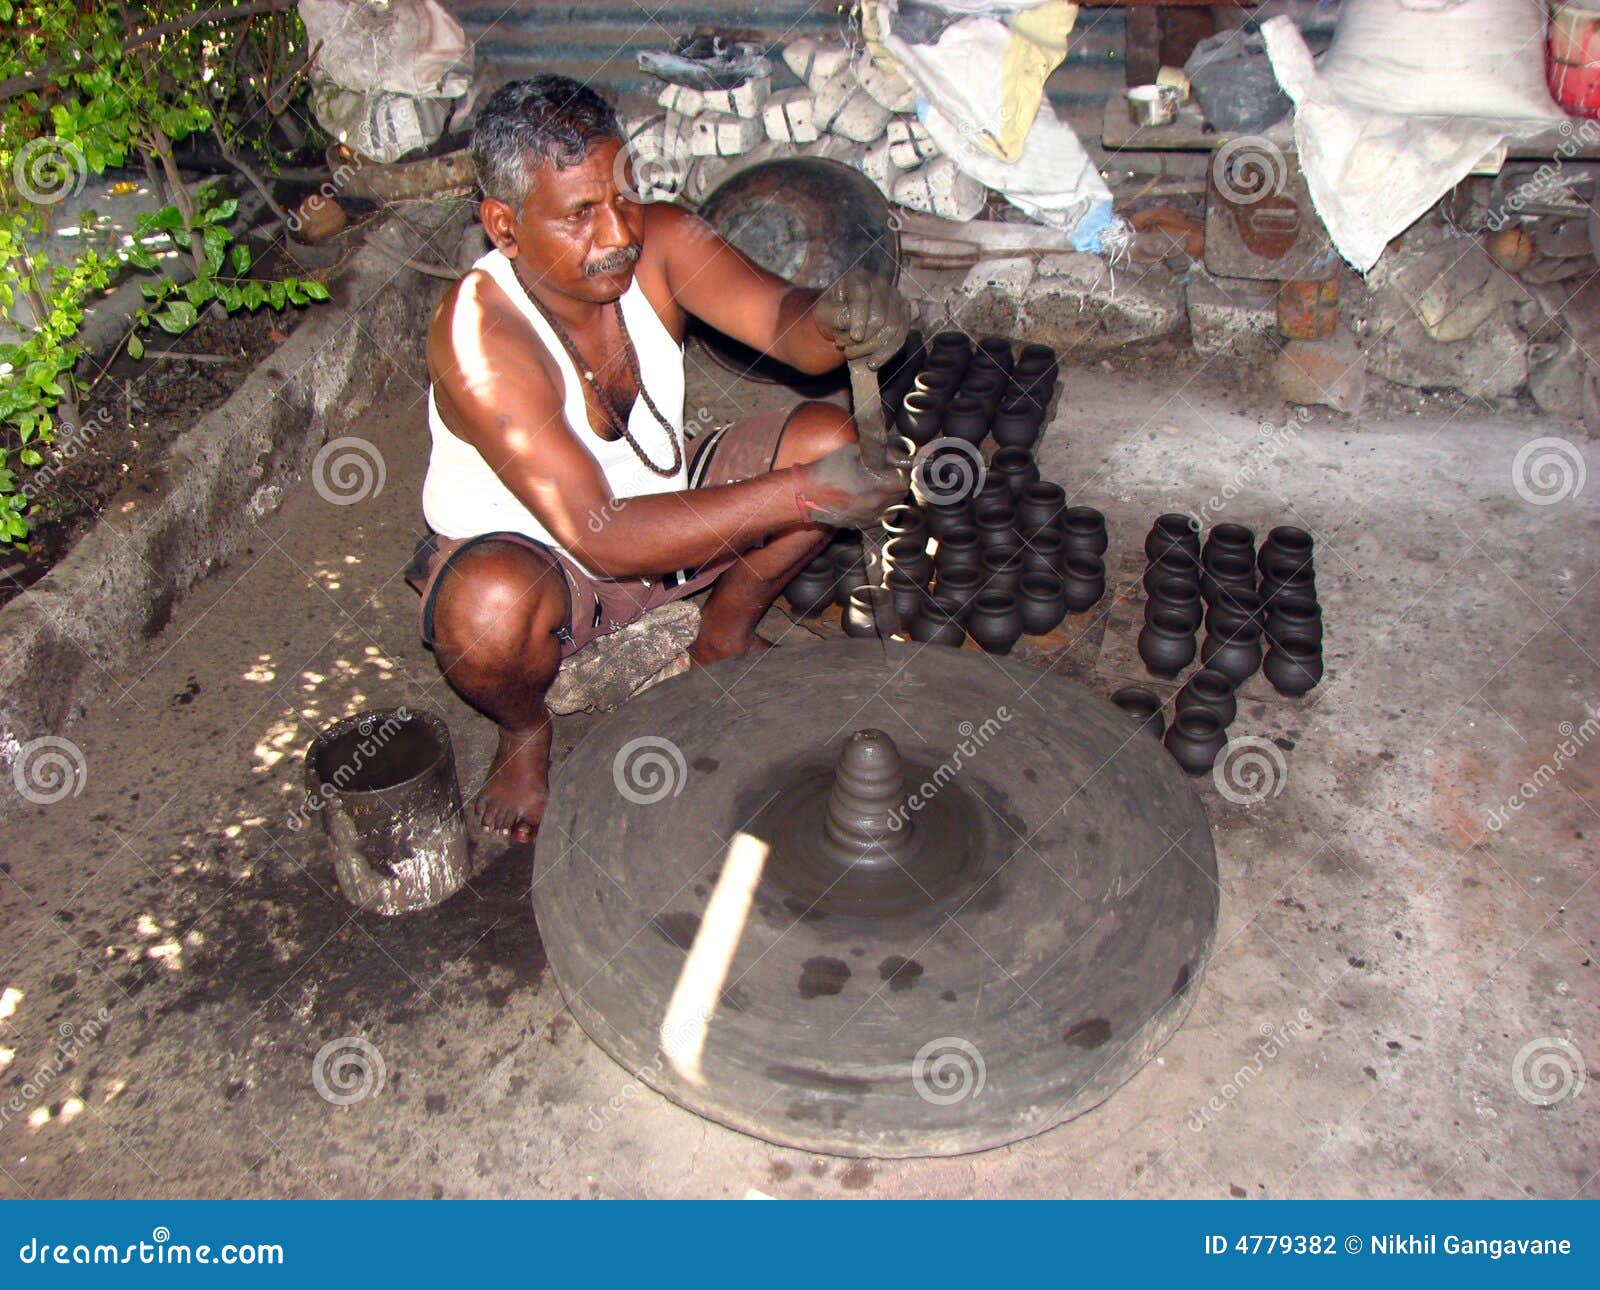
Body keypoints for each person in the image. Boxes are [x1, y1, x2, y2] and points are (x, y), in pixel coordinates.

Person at [407, 75, 911, 843]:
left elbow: (789, 329)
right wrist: (802, 496)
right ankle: (524, 730)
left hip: (668, 510)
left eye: (625, 194)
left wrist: (838, 314)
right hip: (548, 557)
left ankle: (721, 635)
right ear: (504, 226)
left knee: (828, 438)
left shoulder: (664, 241)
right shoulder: (479, 336)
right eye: (581, 213)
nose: (619, 233)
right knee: (486, 613)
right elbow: (603, 535)